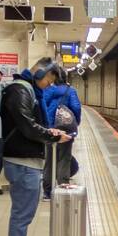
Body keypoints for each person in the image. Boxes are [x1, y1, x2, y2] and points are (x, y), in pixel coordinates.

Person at [0, 57, 72, 236]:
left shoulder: (27, 90)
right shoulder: (20, 91)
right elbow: (28, 127)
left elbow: (31, 124)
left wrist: (51, 132)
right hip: (21, 160)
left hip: (26, 159)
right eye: (49, 80)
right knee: (22, 212)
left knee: (26, 210)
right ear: (40, 73)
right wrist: (51, 136)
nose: (49, 85)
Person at [41, 65, 82, 200]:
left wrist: (46, 125)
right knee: (64, 159)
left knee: (49, 160)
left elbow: (42, 107)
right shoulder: (70, 91)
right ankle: (62, 189)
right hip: (65, 130)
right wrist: (75, 122)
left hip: (50, 130)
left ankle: (47, 192)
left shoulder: (47, 90)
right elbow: (76, 107)